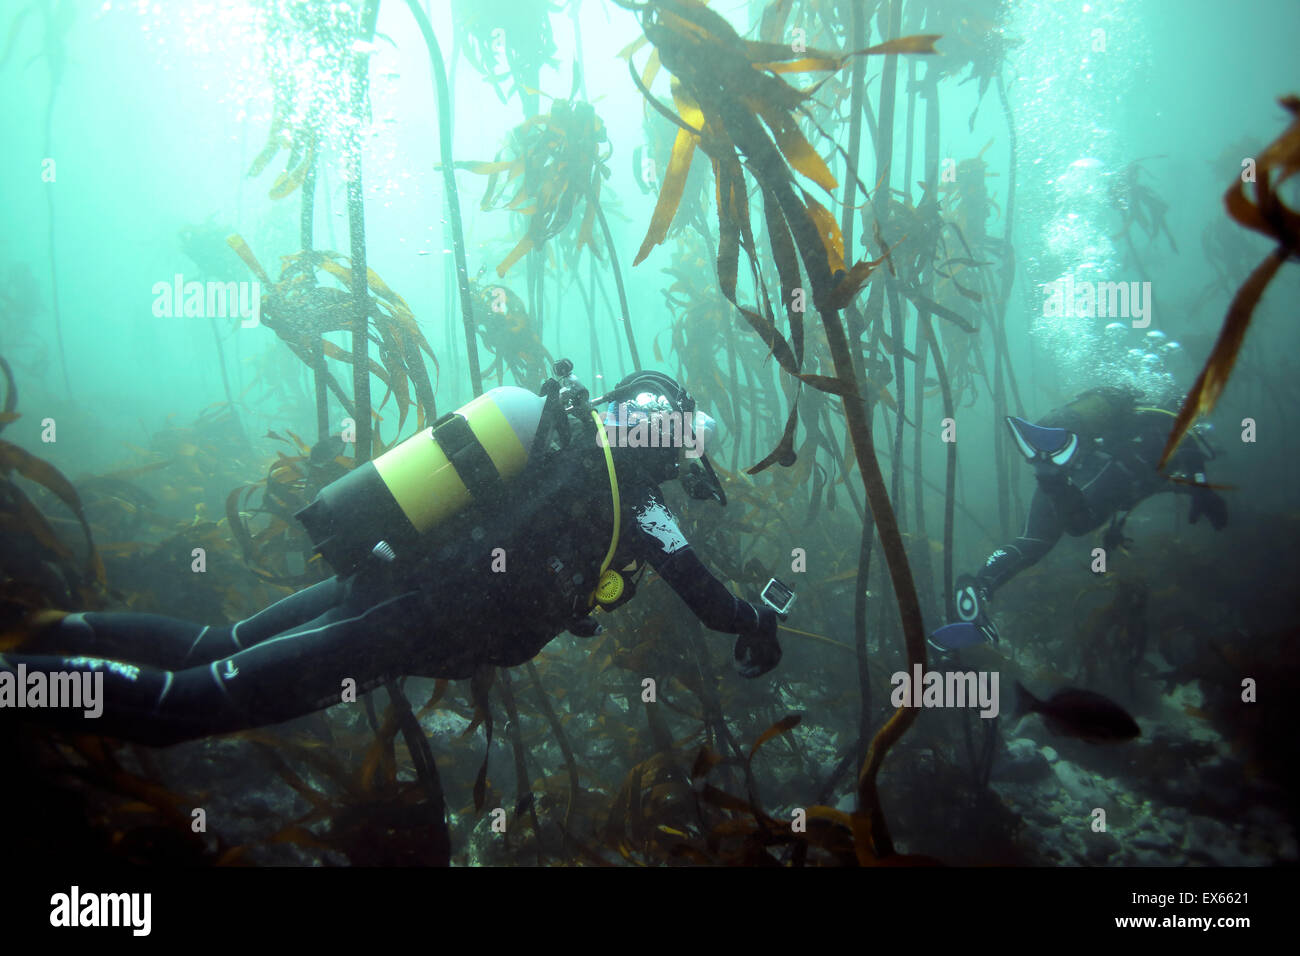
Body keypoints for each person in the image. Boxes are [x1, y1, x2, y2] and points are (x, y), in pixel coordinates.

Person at [0, 366, 782, 745]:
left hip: (389, 571)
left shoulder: (563, 438)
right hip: (413, 619)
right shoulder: (642, 507)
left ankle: (50, 627)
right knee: (180, 709)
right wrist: (762, 620)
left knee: (215, 649)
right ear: (674, 452)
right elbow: (715, 606)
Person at [931, 386, 1227, 651]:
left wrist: (1118, 526)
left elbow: (1151, 485)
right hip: (1091, 480)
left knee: (1031, 543)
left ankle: (979, 584)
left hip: (1074, 476)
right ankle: (1051, 474)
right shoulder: (1167, 425)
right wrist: (1203, 489)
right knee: (1078, 524)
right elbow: (1184, 450)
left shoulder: (1142, 427)